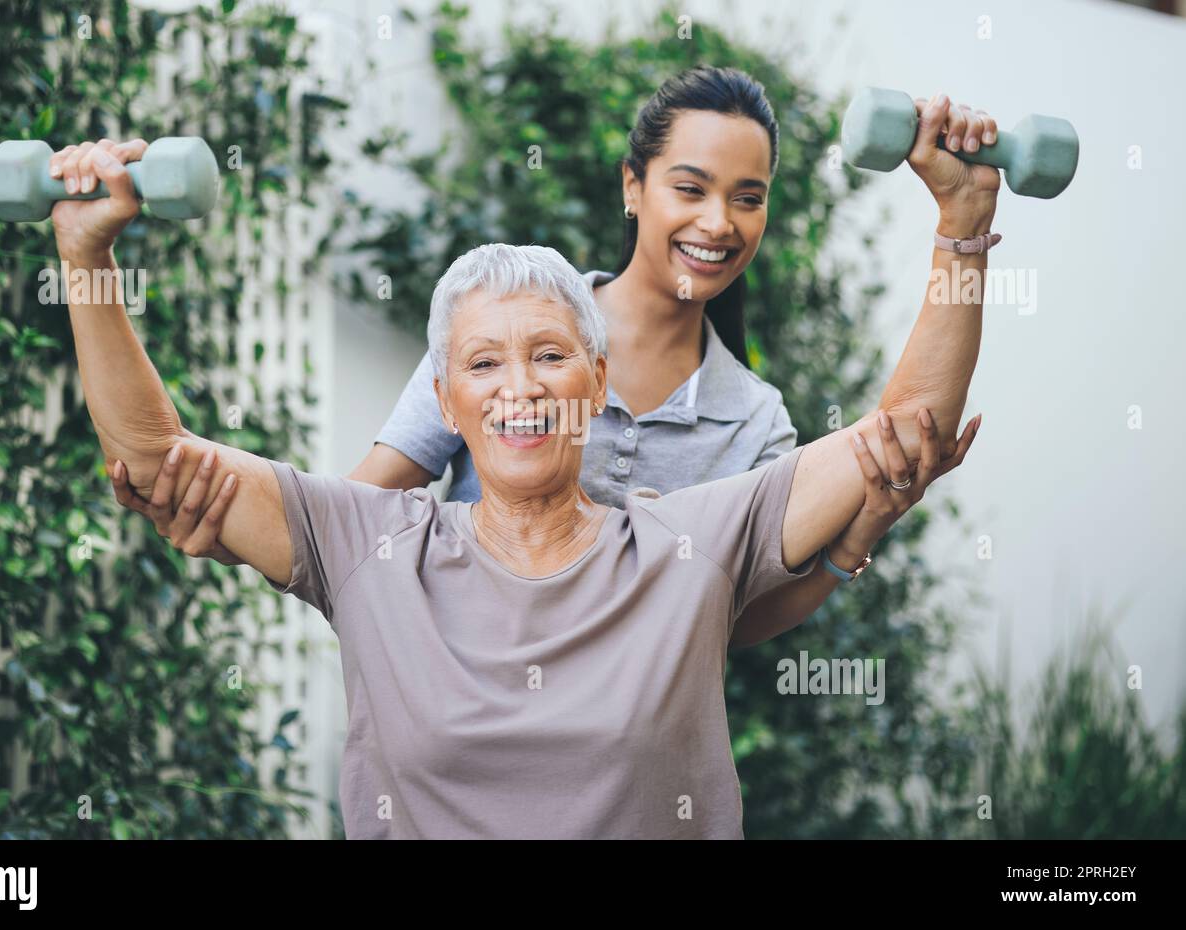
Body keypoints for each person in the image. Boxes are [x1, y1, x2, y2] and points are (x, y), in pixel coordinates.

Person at [50, 84, 1000, 836]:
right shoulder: (367, 541)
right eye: (483, 365)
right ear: (445, 396)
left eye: (550, 358)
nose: (520, 388)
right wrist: (87, 254)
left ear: (595, 379)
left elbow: (903, 428)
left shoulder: (691, 534)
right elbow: (157, 458)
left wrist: (962, 221)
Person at [107, 67, 982, 646]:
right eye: (690, 187)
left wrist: (963, 225)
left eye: (746, 199)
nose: (718, 223)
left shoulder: (752, 416)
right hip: (460, 703)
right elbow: (357, 520)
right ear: (633, 188)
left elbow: (738, 613)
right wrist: (238, 532)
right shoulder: (510, 337)